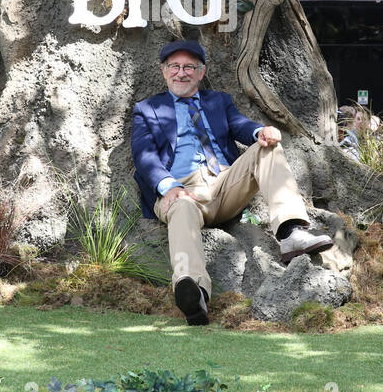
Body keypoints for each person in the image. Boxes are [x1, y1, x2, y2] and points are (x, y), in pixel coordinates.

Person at [131, 40, 334, 326]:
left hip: (224, 182)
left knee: (268, 146)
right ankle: (194, 292)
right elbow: (144, 156)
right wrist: (168, 185)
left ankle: (290, 233)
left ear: (201, 73)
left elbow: (240, 125)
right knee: (181, 207)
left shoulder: (218, 101)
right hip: (179, 188)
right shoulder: (147, 109)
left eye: (189, 67)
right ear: (164, 72)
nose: (181, 73)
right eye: (174, 67)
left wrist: (260, 131)